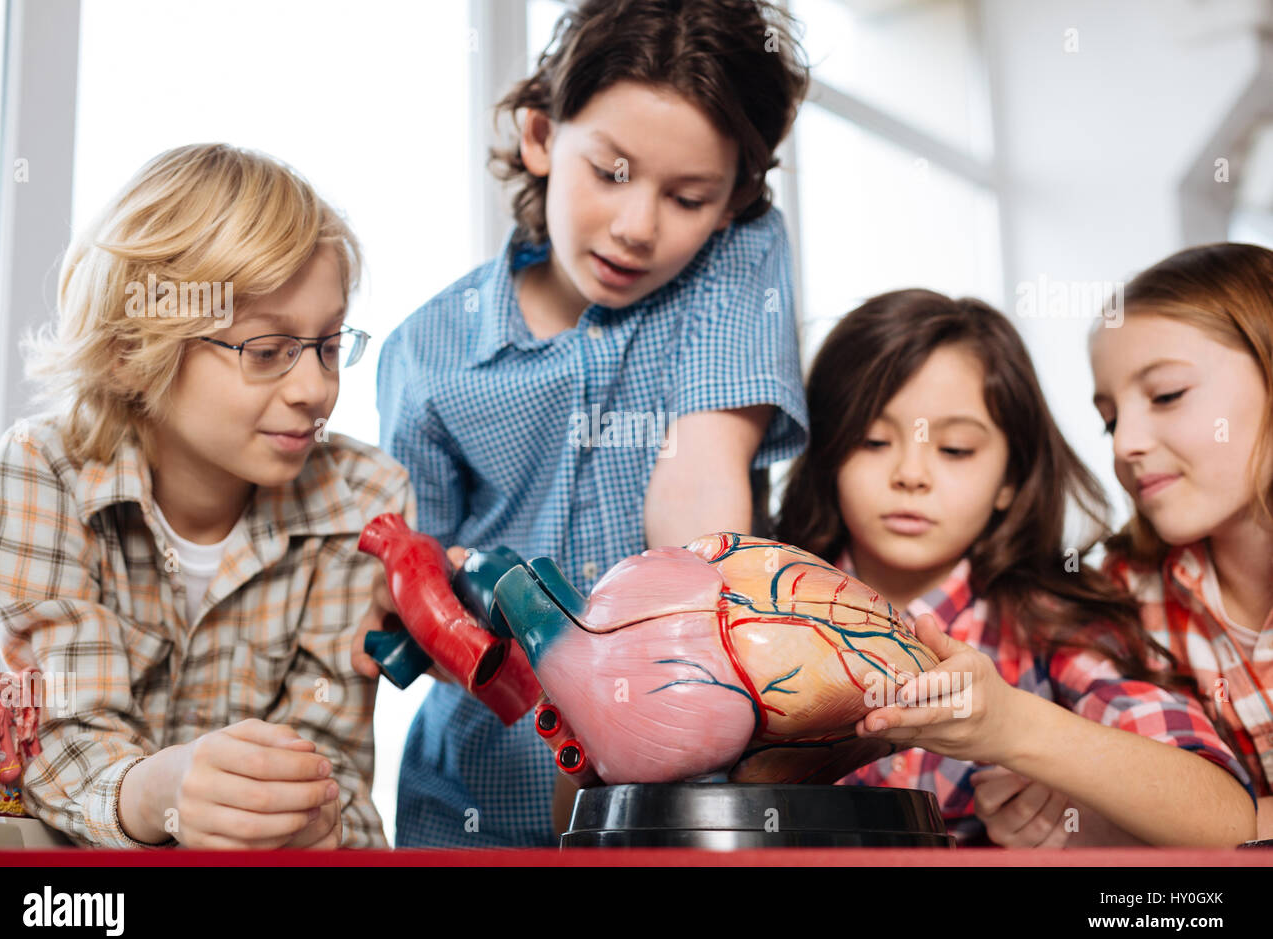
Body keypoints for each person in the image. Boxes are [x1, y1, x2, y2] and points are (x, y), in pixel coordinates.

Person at [376, 0, 810, 846]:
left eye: (688, 197)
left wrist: (652, 694)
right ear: (541, 136)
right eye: (611, 171)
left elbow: (699, 484)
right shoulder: (424, 352)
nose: (637, 226)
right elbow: (416, 579)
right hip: (479, 780)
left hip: (676, 782)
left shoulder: (740, 259)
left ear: (733, 204)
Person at [0, 143, 410, 848]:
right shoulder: (46, 471)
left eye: (330, 345)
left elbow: (335, 774)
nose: (315, 390)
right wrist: (161, 793)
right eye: (266, 351)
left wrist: (306, 815)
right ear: (137, 347)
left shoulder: (363, 497)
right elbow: (62, 744)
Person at [774, 288, 1256, 846]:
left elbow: (1226, 821)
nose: (911, 473)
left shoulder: (1055, 621)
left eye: (954, 449)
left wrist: (1012, 729)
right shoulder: (764, 607)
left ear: (1009, 478)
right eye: (873, 440)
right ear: (831, 452)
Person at [1089, 242, 1273, 841]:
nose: (1124, 444)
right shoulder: (1131, 593)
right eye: (1110, 418)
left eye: (1167, 394)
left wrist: (1222, 823)